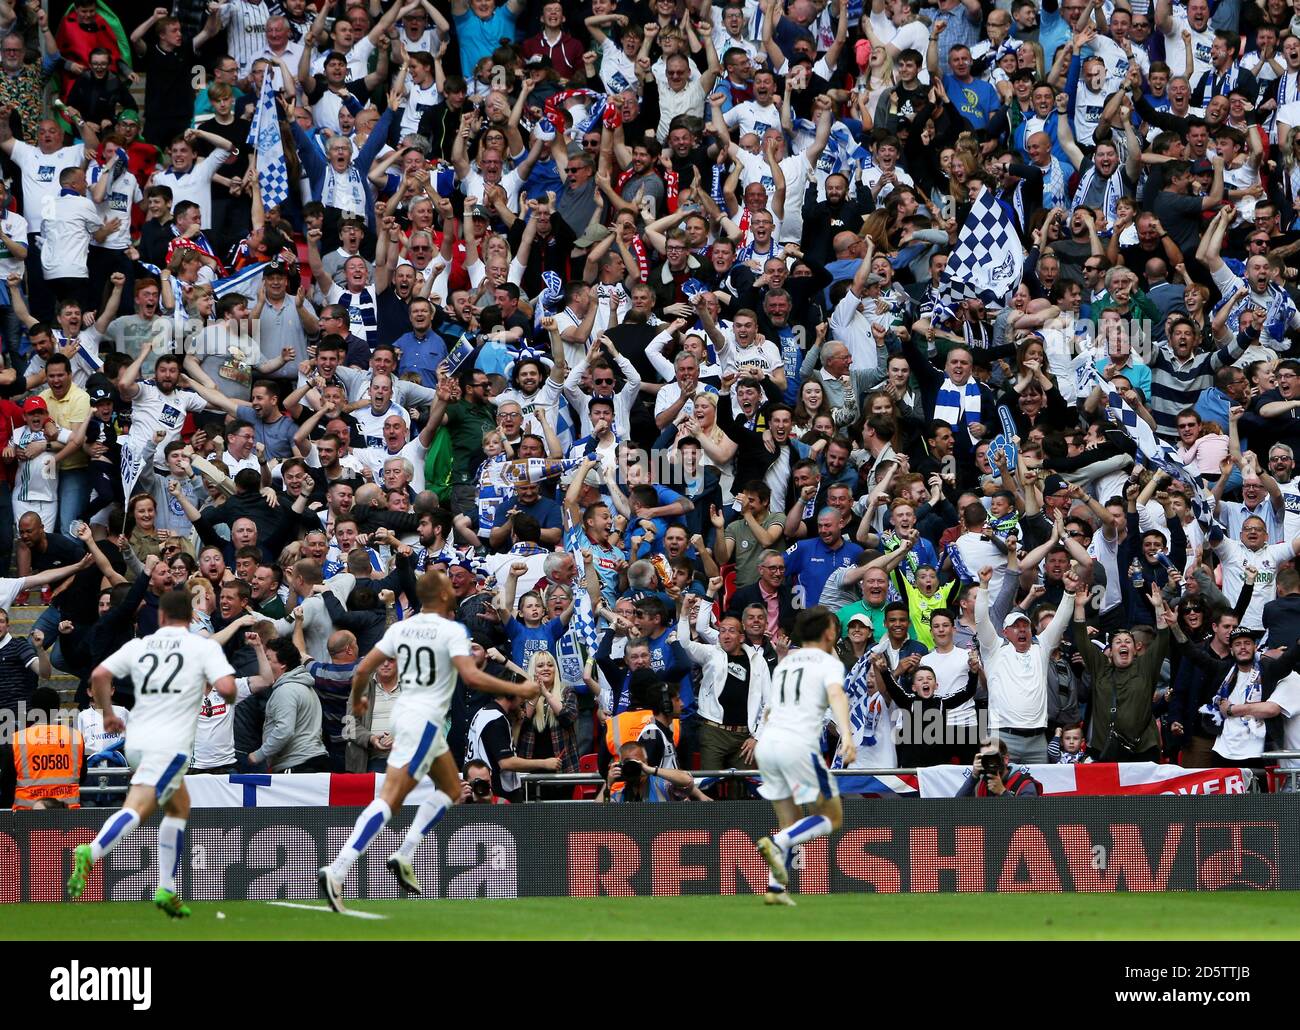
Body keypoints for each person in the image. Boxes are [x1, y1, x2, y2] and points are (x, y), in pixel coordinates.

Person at [318, 569, 538, 911]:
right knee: (391, 799)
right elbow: (471, 675)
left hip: (413, 718)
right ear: (444, 595)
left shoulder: (400, 629)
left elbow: (362, 670)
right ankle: (338, 868)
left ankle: (404, 854)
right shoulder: (451, 630)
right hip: (424, 720)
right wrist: (518, 688)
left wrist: (360, 698)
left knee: (452, 789)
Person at [67, 589, 236, 918]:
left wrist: (106, 714)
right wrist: (215, 689)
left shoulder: (140, 645)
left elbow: (100, 675)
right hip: (170, 744)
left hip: (138, 741)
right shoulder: (203, 646)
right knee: (139, 808)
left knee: (179, 806)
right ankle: (92, 850)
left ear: (160, 617)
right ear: (190, 617)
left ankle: (166, 887)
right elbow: (228, 689)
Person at [753, 606, 855, 907]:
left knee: (791, 821)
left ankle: (776, 888)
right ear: (829, 632)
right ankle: (778, 843)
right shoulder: (828, 662)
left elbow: (771, 707)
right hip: (797, 745)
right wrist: (847, 736)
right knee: (831, 816)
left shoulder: (787, 661)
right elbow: (837, 695)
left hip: (768, 743)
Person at [956, 738, 1042, 796]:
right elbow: (956, 808)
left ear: (1005, 759)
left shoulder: (1023, 784)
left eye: (993, 756)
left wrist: (1002, 792)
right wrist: (973, 776)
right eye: (985, 757)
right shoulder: (979, 782)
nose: (990, 761)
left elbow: (1028, 816)